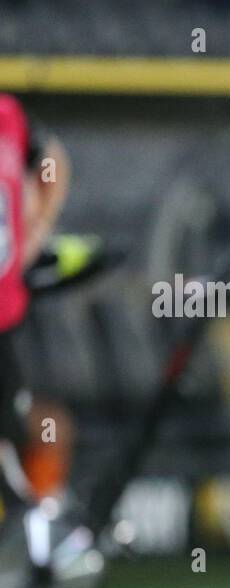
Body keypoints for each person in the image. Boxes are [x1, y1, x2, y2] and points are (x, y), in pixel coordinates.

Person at [0, 94, 69, 508]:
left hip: (6, 317)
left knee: (37, 427)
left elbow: (51, 158)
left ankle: (40, 535)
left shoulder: (7, 116)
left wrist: (39, 226)